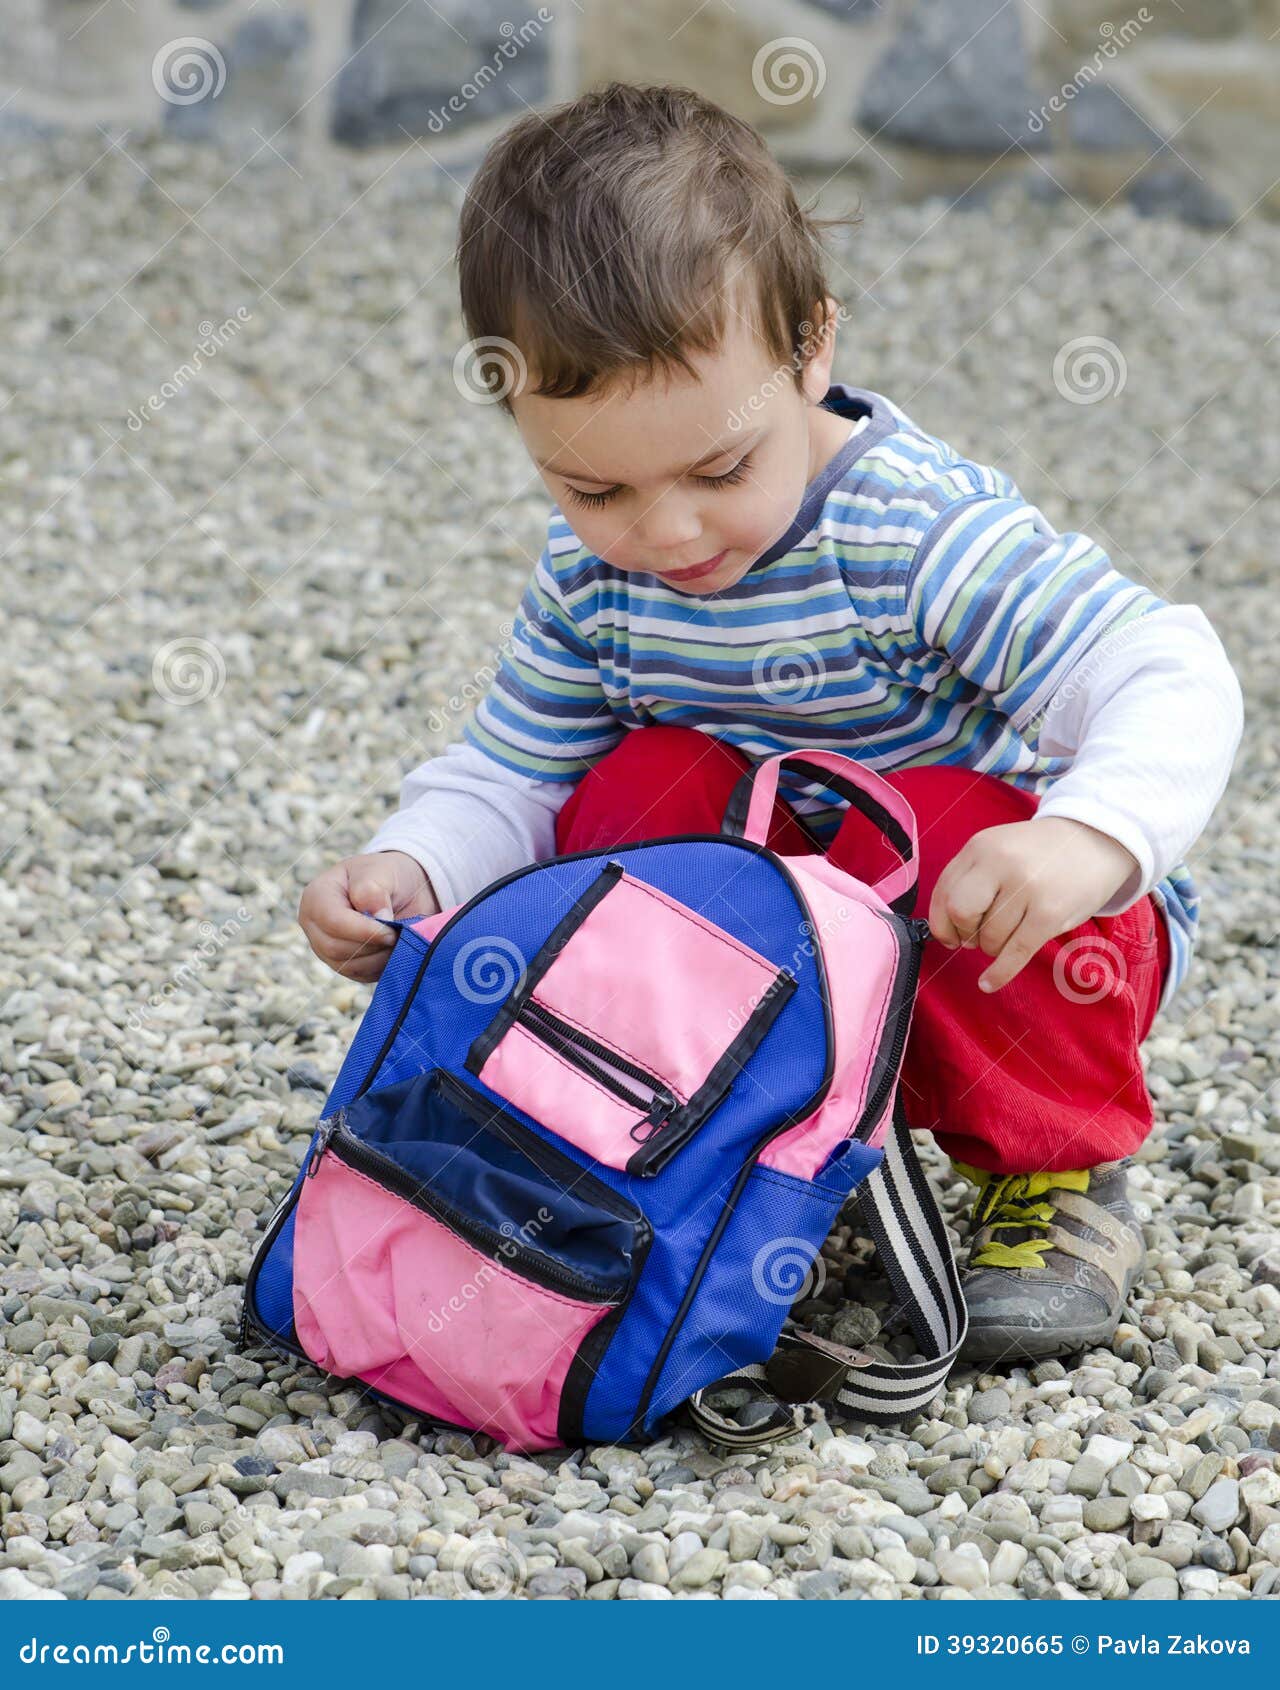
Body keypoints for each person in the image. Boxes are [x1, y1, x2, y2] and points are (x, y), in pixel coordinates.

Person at [298, 83, 1242, 1368]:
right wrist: (416, 866)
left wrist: (1090, 836)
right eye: (595, 487)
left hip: (1000, 934)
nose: (668, 533)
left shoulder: (909, 535)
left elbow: (1163, 664)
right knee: (633, 787)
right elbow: (512, 771)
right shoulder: (592, 584)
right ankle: (739, 1137)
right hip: (789, 955)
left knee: (946, 812)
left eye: (719, 469)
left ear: (810, 351)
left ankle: (1055, 1173)